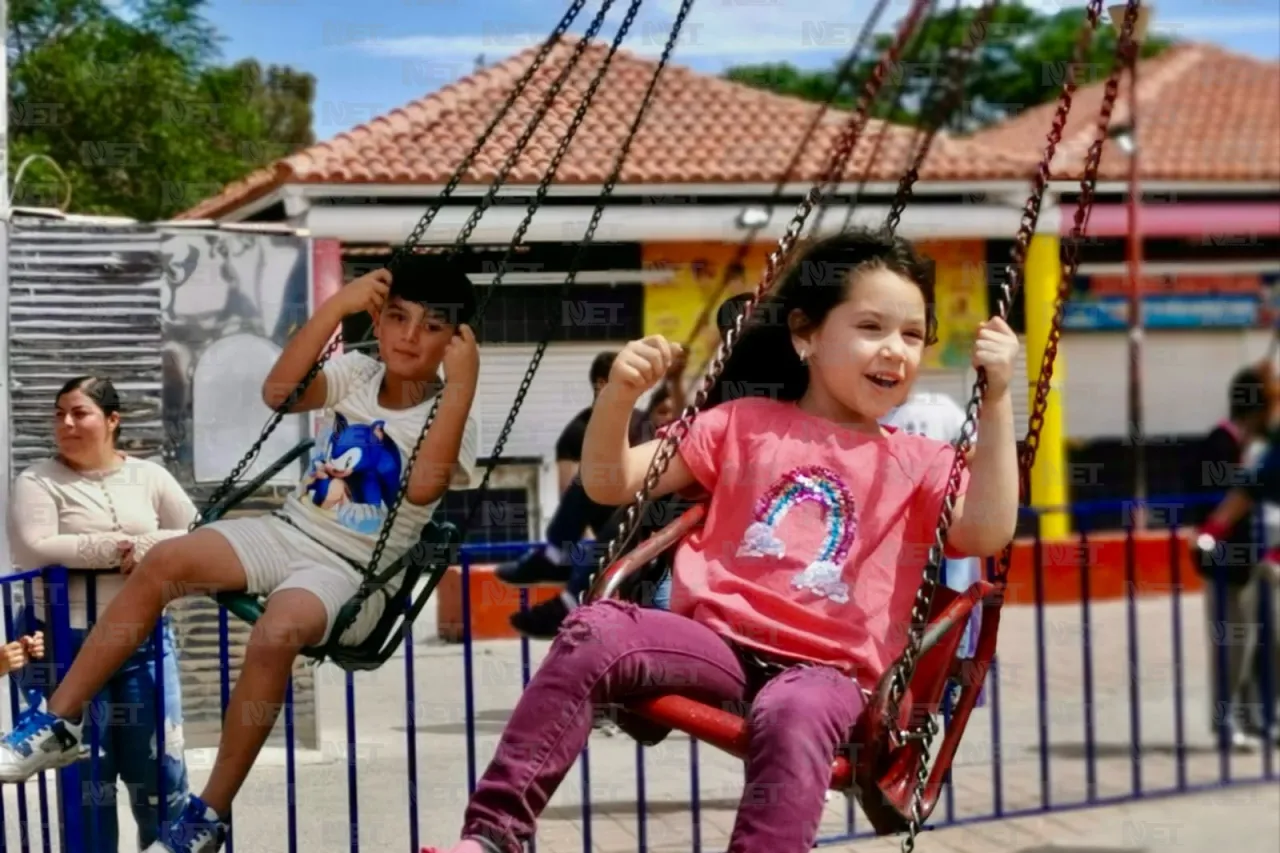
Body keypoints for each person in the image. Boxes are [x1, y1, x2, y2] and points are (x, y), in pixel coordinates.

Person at [423, 228, 1021, 853]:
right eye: (871, 327)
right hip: (716, 645)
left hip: (829, 672)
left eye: (912, 334)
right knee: (594, 630)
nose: (895, 351)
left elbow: (986, 530)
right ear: (805, 334)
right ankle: (494, 835)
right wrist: (619, 397)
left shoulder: (923, 461)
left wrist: (999, 396)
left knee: (792, 713)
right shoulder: (742, 422)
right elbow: (611, 482)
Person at [0, 256, 482, 853]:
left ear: (457, 343)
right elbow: (280, 392)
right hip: (288, 531)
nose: (410, 335)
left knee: (277, 631)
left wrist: (462, 386)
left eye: (432, 326)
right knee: (166, 561)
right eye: (398, 318)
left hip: (352, 573)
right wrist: (335, 306)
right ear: (377, 322)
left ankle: (207, 813)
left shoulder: (453, 413)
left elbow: (423, 488)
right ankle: (61, 720)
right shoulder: (357, 370)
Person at [6, 375, 195, 852]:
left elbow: (197, 534)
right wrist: (127, 549)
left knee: (162, 778)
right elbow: (36, 548)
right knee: (88, 784)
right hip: (70, 650)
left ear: (113, 421)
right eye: (59, 414)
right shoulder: (36, 480)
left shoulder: (149, 477)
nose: (65, 423)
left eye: (79, 413)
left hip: (145, 645)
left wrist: (151, 546)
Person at [495, 353, 648, 592]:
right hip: (602, 533)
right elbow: (571, 490)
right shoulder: (578, 432)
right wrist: (585, 548)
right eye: (625, 381)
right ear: (601, 384)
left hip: (642, 520)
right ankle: (558, 560)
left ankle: (558, 561)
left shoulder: (643, 424)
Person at [1191, 365, 1280, 747]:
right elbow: (1221, 503)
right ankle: (1226, 723)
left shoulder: (1264, 447)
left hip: (1264, 561)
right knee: (1233, 648)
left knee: (1267, 644)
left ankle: (1261, 717)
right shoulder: (1220, 444)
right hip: (1230, 565)